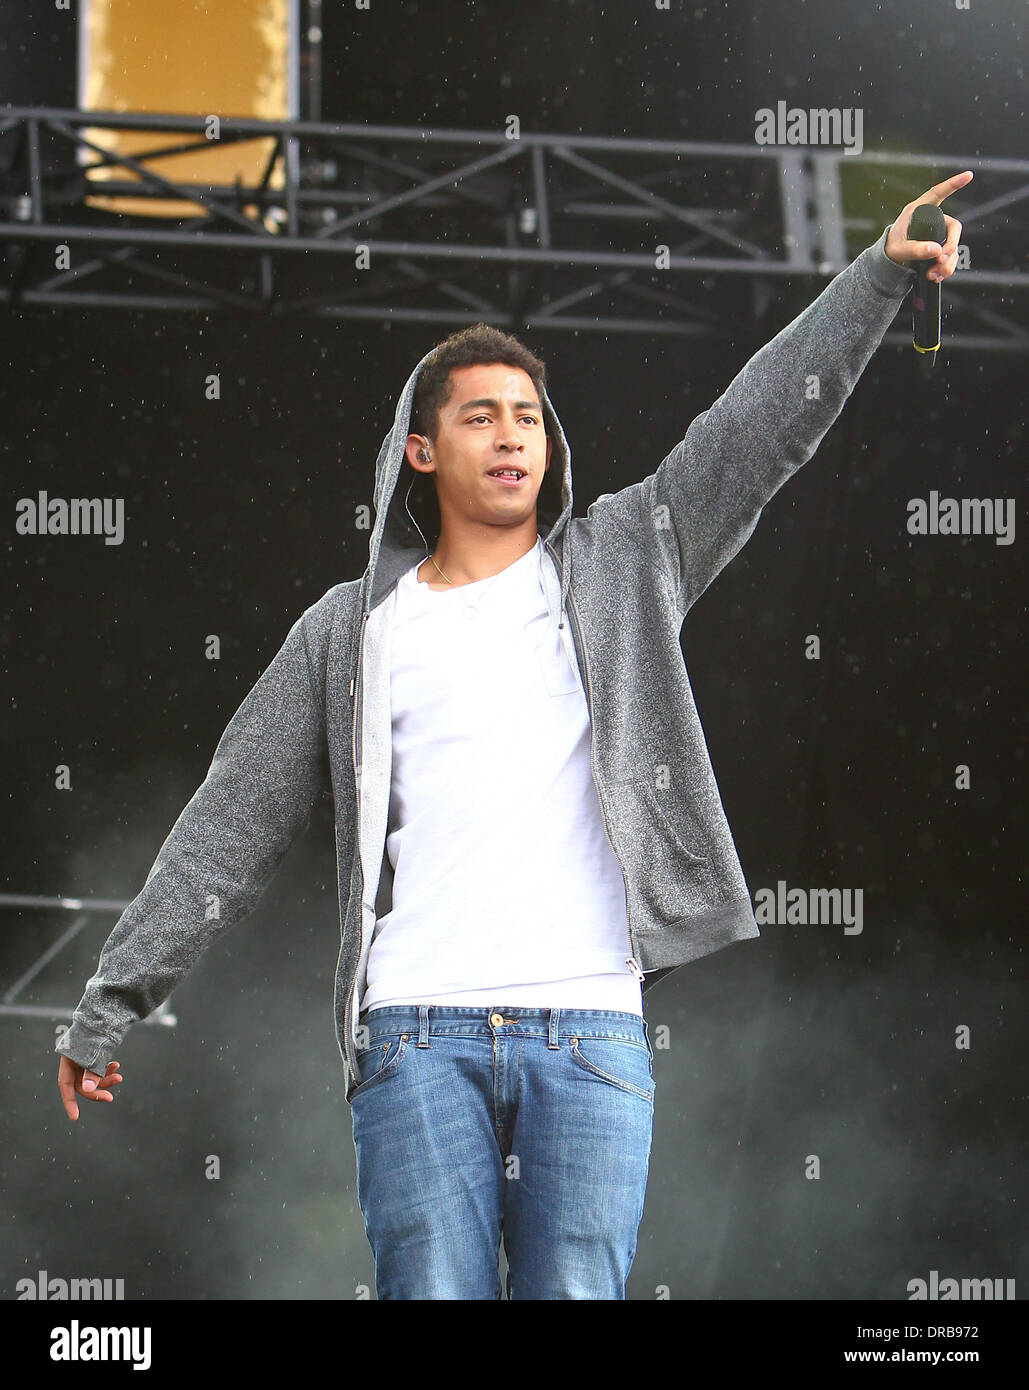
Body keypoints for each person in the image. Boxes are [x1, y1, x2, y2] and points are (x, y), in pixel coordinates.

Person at [56, 174, 970, 1299]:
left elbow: (756, 430)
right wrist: (112, 1001)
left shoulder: (628, 558)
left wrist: (875, 277)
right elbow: (225, 828)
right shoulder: (348, 632)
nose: (511, 435)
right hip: (413, 1034)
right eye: (480, 415)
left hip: (590, 1024)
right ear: (421, 451)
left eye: (529, 415)